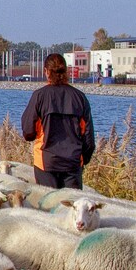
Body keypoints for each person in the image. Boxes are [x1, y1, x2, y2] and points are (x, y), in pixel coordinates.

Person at [17, 53, 95, 187]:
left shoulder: (40, 96)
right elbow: (88, 137)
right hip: (72, 162)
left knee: (48, 205)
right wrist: (82, 159)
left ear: (46, 72)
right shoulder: (80, 98)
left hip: (46, 161)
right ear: (66, 72)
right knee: (71, 206)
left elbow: (28, 131)